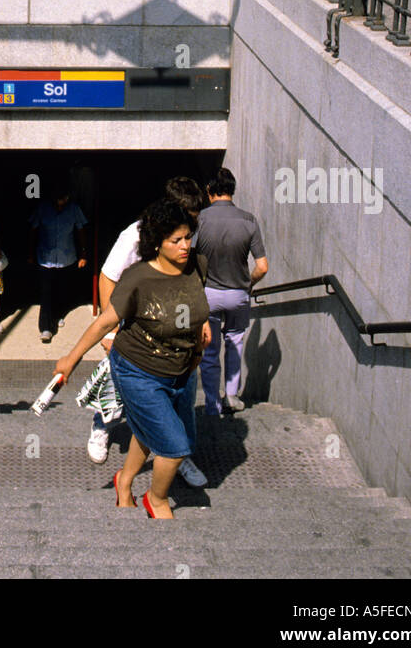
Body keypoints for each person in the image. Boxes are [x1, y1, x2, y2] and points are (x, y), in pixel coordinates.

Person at [55, 196, 211, 519]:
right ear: (158, 244)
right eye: (176, 240)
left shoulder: (198, 264)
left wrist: (197, 346)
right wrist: (71, 359)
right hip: (138, 371)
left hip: (181, 369)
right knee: (176, 446)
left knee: (146, 431)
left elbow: (195, 306)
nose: (185, 246)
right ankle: (156, 499)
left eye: (188, 237)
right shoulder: (139, 278)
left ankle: (123, 482)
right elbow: (105, 322)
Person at [84, 177, 208, 490]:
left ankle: (180, 453)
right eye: (187, 220)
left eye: (193, 225)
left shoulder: (187, 235)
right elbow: (108, 277)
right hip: (137, 331)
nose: (189, 235)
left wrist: (201, 320)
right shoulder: (134, 236)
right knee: (116, 384)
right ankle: (102, 426)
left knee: (184, 397)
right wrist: (110, 331)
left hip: (177, 337)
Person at [197, 167, 268, 417]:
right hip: (238, 293)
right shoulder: (249, 220)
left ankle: (212, 403)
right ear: (232, 190)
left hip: (208, 293)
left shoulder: (200, 219)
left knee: (210, 349)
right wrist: (247, 284)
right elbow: (262, 267)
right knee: (235, 341)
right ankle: (232, 397)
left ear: (209, 191)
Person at [28, 184, 87, 342]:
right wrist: (30, 254)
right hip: (45, 257)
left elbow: (81, 231)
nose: (60, 204)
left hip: (66, 258)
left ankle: (57, 315)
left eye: (63, 201)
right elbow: (33, 230)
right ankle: (46, 328)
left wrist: (83, 254)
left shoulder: (74, 209)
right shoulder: (42, 208)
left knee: (61, 290)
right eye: (57, 201)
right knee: (46, 292)